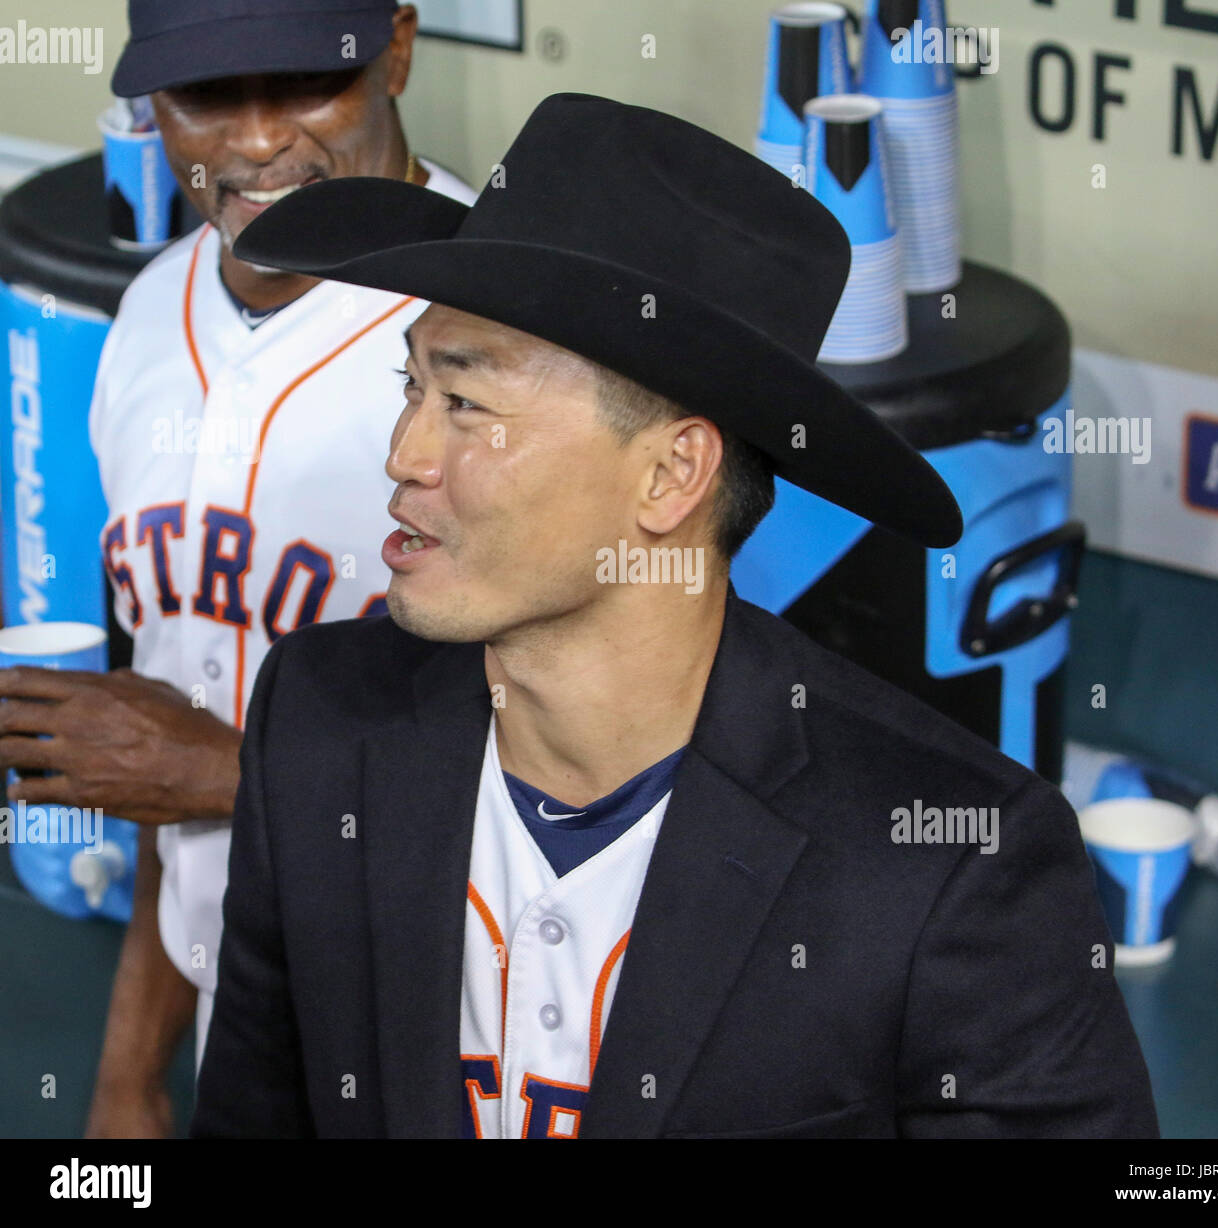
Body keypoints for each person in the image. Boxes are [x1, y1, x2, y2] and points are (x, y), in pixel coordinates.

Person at [190, 93, 1160, 1139]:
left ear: (671, 474)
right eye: (411, 387)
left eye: (465, 403)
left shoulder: (945, 866)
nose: (405, 455)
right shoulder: (324, 720)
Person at [0, 0, 474, 1139]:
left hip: (460, 1035)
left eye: (308, 82)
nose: (258, 142)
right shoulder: (153, 314)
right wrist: (127, 1077)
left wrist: (223, 769)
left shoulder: (506, 324)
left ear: (396, 47)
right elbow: (171, 753)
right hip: (235, 1015)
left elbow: (591, 783)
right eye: (207, 95)